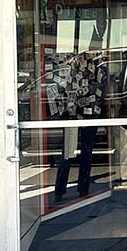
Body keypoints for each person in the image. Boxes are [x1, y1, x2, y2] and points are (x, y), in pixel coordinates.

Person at [53, 47, 108, 202]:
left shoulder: (93, 64)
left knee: (81, 152)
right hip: (77, 114)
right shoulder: (76, 64)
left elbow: (100, 90)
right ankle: (66, 190)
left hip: (85, 114)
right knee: (73, 152)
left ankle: (74, 190)